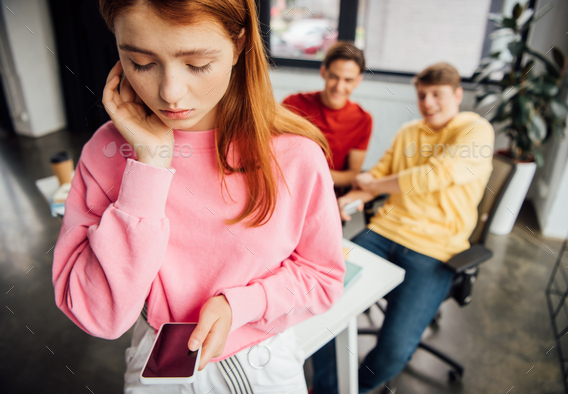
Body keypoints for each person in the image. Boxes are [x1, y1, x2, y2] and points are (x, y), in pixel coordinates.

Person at [51, 1, 346, 393]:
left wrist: (241, 305)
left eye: (198, 64)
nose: (171, 93)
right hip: (155, 362)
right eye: (141, 63)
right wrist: (150, 167)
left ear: (239, 44)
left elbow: (322, 278)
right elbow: (99, 316)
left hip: (256, 363)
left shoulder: (294, 155)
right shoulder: (103, 153)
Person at [311, 62, 494, 393]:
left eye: (437, 95)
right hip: (382, 234)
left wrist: (375, 182)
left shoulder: (474, 129)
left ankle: (359, 386)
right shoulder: (409, 132)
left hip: (435, 250)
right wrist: (346, 201)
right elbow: (373, 181)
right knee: (321, 301)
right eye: (422, 95)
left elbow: (436, 175)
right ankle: (329, 389)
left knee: (394, 351)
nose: (428, 103)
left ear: (458, 94)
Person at [282, 41, 372, 196]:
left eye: (348, 80)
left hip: (327, 195)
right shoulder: (293, 104)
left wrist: (311, 173)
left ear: (358, 81)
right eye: (334, 77)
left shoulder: (363, 120)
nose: (339, 87)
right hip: (288, 188)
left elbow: (352, 175)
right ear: (323, 72)